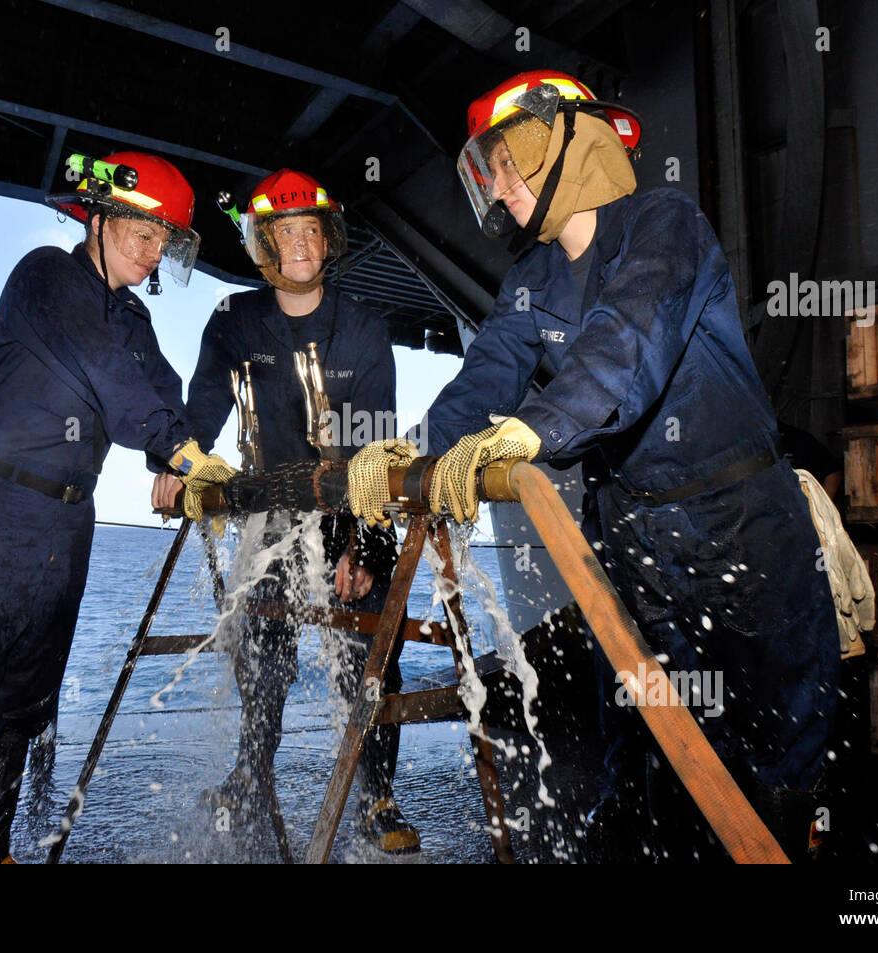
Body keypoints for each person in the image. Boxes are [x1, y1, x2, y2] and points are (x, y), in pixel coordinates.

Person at [349, 71, 840, 862]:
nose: (500, 190)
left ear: (561, 143)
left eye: (507, 164)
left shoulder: (665, 225)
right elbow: (481, 383)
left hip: (740, 527)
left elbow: (625, 344)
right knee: (656, 748)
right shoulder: (529, 283)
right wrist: (419, 457)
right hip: (636, 538)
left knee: (774, 750)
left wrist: (528, 432)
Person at [0, 151, 233, 863]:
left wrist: (185, 461)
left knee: (21, 704)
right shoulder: (45, 276)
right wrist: (180, 453)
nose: (153, 251)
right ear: (98, 219)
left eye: (165, 240)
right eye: (141, 233)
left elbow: (159, 394)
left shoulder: (132, 318)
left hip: (59, 535)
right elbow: (109, 377)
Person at [157, 168, 417, 853]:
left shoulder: (361, 327)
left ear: (327, 241)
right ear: (262, 245)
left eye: (310, 231)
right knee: (262, 651)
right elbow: (205, 400)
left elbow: (375, 441)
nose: (298, 245)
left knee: (368, 655)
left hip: (349, 508)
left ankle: (376, 795)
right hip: (270, 511)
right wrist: (174, 462)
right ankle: (250, 774)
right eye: (283, 233)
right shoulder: (234, 320)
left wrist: (363, 548)